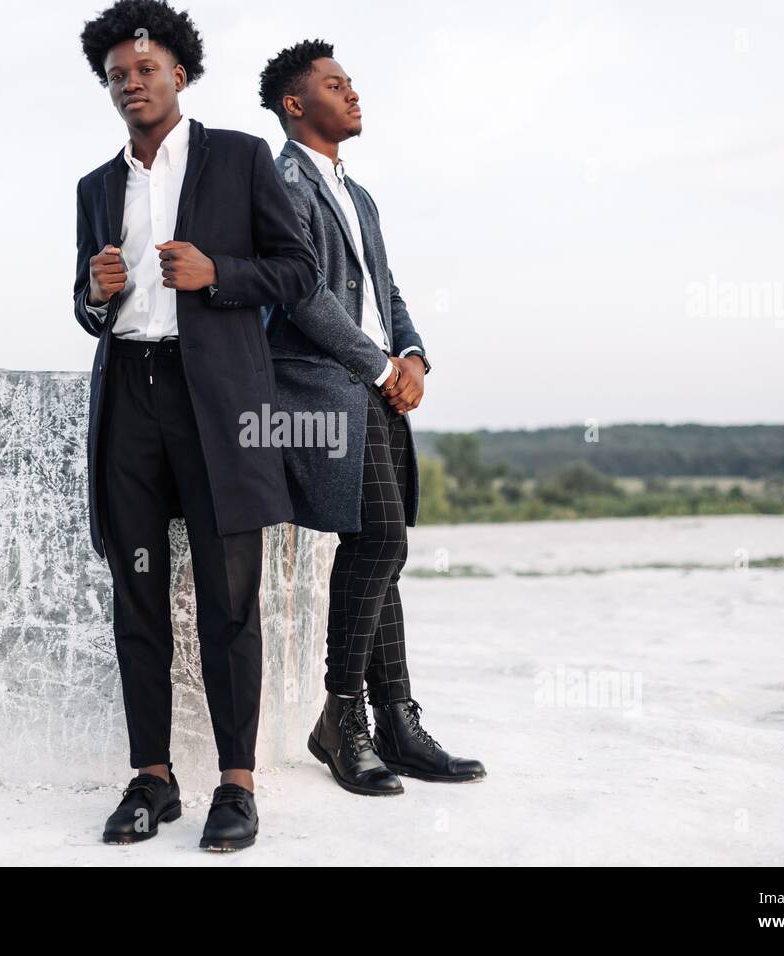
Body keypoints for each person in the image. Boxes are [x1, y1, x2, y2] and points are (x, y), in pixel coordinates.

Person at [73, 0, 315, 850]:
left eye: (145, 69)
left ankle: (237, 786)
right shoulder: (97, 188)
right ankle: (152, 779)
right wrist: (95, 296)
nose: (131, 83)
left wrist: (219, 274)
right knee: (137, 599)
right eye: (117, 77)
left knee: (228, 602)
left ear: (180, 73)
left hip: (217, 404)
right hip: (130, 402)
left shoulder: (242, 160)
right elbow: (82, 306)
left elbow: (296, 271)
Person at [257, 39, 486, 796]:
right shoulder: (282, 182)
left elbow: (386, 292)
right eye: (335, 84)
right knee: (379, 539)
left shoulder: (360, 197)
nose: (353, 94)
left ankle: (396, 720)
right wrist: (380, 366)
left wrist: (414, 354)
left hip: (376, 387)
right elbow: (303, 296)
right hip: (321, 391)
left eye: (350, 82)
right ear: (297, 104)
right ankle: (341, 716)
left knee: (384, 551)